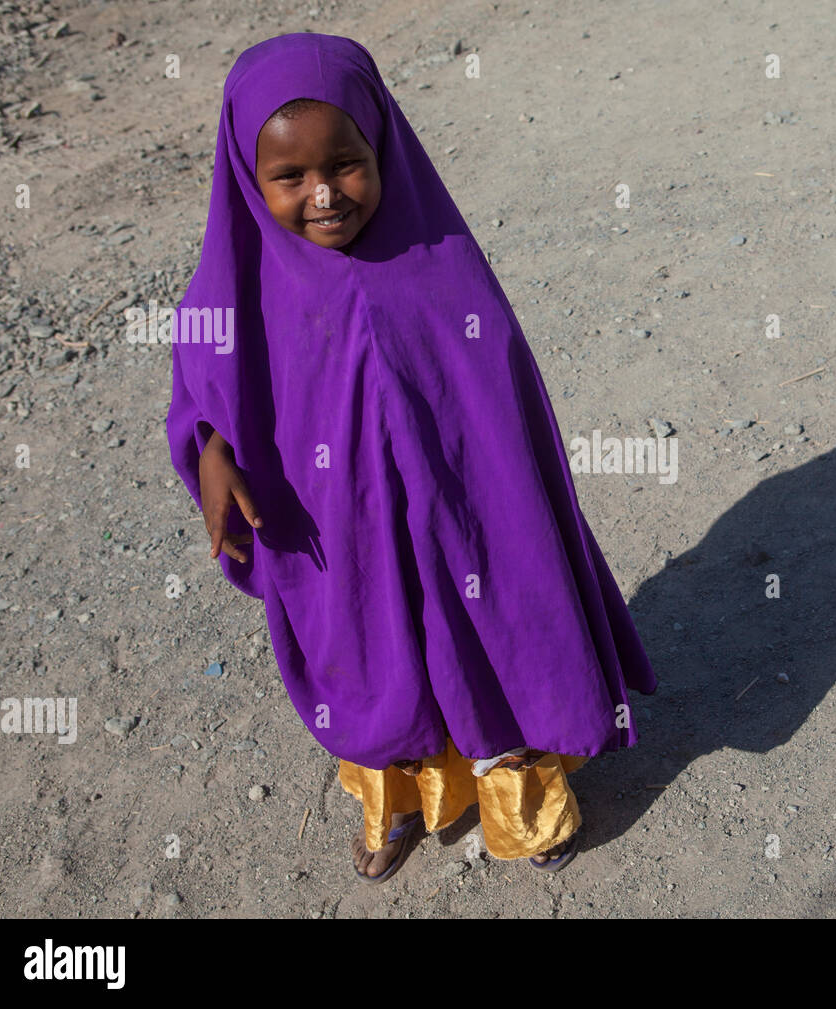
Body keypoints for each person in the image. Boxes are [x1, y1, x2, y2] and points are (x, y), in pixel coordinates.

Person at [166, 32, 656, 883]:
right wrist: (210, 450)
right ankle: (394, 796)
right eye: (289, 177)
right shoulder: (238, 283)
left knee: (490, 632)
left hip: (463, 516)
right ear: (249, 179)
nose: (324, 194)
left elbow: (500, 399)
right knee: (362, 644)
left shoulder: (439, 264)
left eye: (347, 164)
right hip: (333, 516)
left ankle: (522, 805)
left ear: (383, 143)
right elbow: (205, 381)